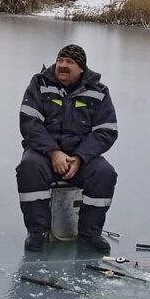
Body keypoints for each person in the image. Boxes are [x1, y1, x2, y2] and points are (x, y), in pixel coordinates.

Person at [16, 44, 118, 253]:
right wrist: (54, 152)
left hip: (82, 157)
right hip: (44, 153)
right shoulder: (39, 83)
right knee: (29, 167)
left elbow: (106, 131)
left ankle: (90, 233)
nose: (62, 65)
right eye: (60, 60)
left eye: (69, 62)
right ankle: (37, 232)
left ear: (81, 68)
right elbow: (29, 122)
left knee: (105, 173)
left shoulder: (99, 92)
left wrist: (80, 157)